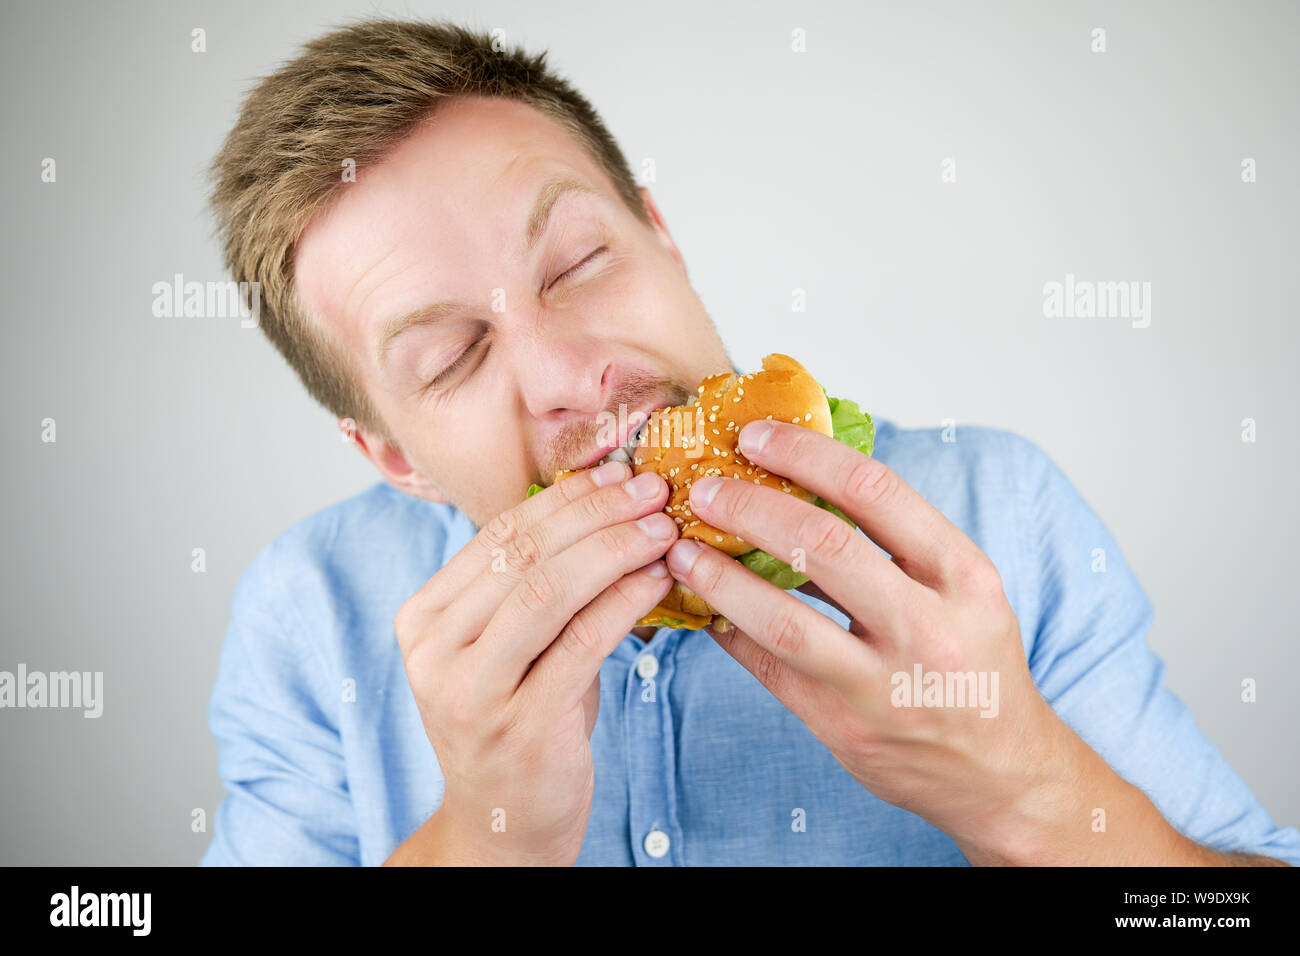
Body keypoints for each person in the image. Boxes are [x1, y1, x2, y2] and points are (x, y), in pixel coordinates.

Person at [199, 18, 1297, 866]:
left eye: (577, 264)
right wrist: (481, 843)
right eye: (451, 356)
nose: (573, 376)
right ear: (395, 457)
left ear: (662, 239)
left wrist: (1022, 788)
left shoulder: (997, 515)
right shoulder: (310, 615)